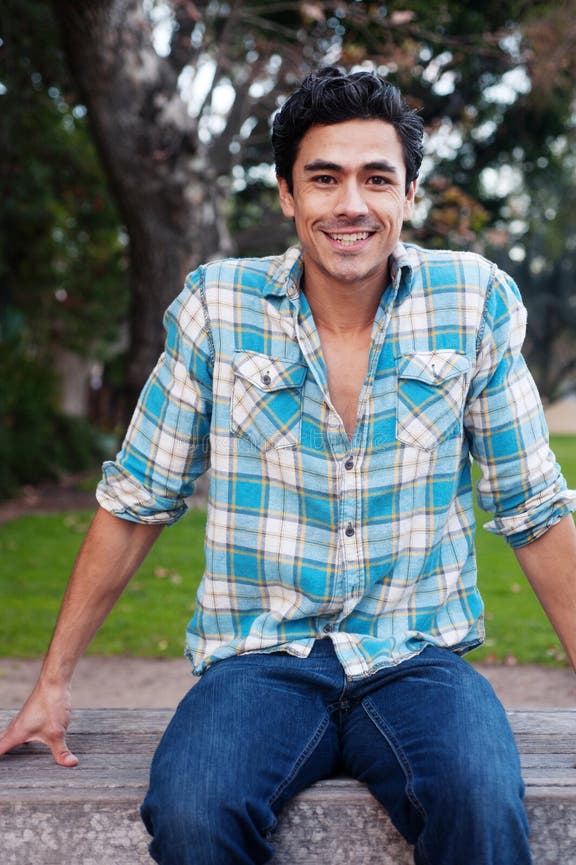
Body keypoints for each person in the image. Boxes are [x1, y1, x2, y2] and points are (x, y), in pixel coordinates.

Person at [1, 66, 575, 865]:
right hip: (260, 661)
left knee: (481, 805)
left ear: (408, 195)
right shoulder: (218, 307)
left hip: (415, 656)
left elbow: (535, 508)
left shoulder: (471, 302)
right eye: (324, 177)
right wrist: (53, 680)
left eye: (377, 178)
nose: (351, 203)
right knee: (194, 811)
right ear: (286, 194)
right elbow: (137, 497)